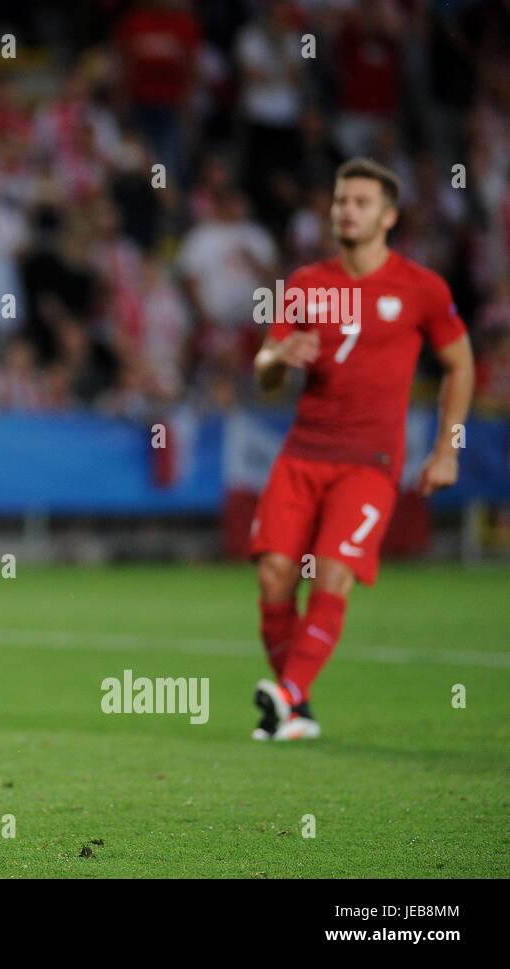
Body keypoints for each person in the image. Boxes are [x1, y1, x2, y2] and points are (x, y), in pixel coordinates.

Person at [248, 158, 474, 740]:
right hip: (301, 454)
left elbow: (460, 363)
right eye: (340, 200)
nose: (346, 210)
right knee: (275, 574)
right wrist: (278, 358)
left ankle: (289, 693)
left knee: (333, 572)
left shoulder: (421, 288)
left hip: (369, 463)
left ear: (389, 216)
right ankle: (293, 708)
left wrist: (448, 449)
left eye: (361, 202)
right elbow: (264, 371)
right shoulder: (304, 284)